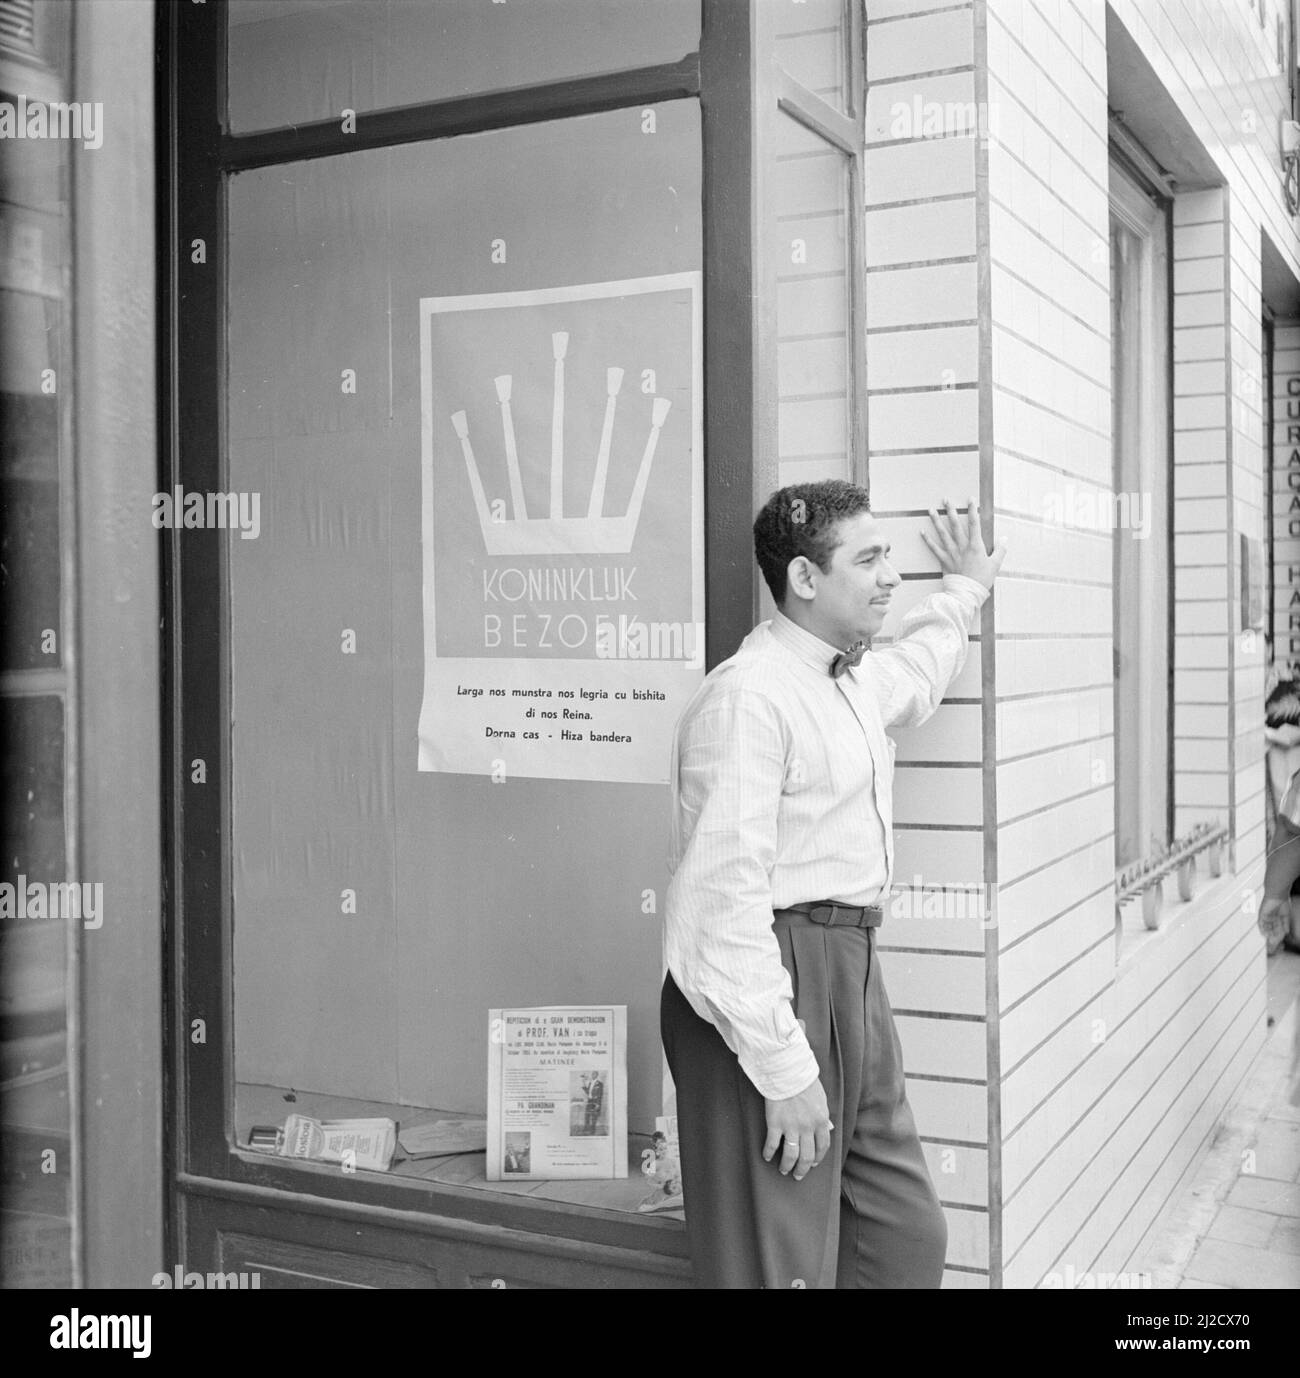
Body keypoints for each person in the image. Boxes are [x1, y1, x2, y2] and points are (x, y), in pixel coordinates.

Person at [661, 481, 1006, 1289]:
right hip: (763, 977)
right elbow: (717, 903)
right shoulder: (747, 696)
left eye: (889, 555)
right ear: (805, 580)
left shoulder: (850, 680)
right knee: (774, 1262)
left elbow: (919, 671)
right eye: (869, 557)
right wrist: (783, 1072)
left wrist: (966, 588)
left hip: (850, 970)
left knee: (901, 1238)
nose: (891, 576)